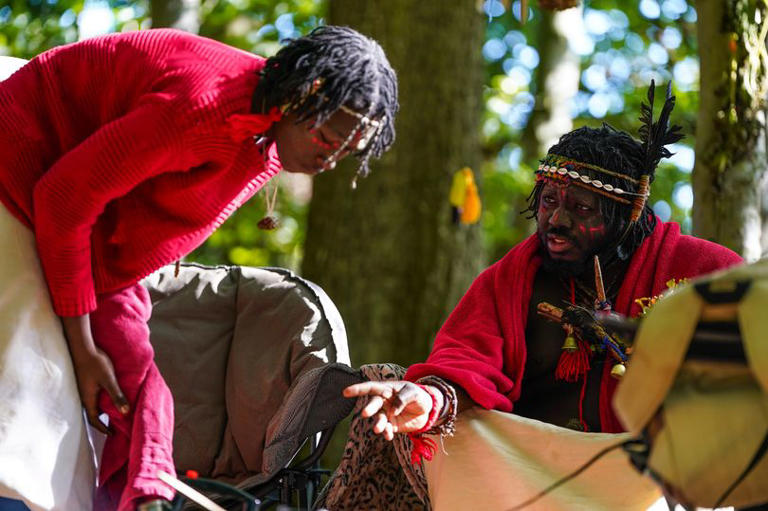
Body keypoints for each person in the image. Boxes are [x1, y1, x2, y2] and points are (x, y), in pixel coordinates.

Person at [0, 25, 397, 511]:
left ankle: (148, 499)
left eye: (347, 153)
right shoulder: (200, 109)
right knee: (35, 389)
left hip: (92, 235)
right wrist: (83, 347)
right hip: (19, 172)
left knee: (142, 390)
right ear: (304, 94)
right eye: (329, 139)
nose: (330, 160)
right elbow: (61, 199)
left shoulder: (266, 138)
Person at [341, 83, 743, 501]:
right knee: (423, 405)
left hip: (645, 476)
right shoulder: (513, 277)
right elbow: (466, 358)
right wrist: (432, 398)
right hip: (522, 474)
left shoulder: (704, 272)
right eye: (549, 201)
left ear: (630, 212)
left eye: (581, 209)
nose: (556, 220)